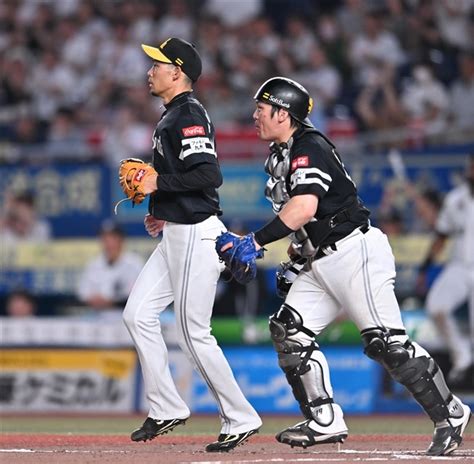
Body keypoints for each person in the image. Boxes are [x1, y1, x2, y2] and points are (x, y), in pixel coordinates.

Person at [220, 77, 471, 456]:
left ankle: (451, 413)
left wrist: (254, 242)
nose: (254, 115)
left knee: (389, 345)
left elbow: (304, 207)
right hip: (321, 258)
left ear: (283, 113)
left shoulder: (309, 145)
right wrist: (296, 257)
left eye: (261, 108)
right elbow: (309, 219)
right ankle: (324, 418)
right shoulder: (280, 154)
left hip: (355, 253)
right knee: (289, 331)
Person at [122, 37, 261, 452]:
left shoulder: (187, 115)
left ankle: (240, 416)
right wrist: (162, 208)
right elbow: (185, 180)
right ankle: (166, 406)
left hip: (196, 234)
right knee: (137, 314)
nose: (150, 71)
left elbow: (209, 175)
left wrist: (157, 183)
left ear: (177, 72)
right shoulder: (173, 115)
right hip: (177, 230)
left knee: (192, 332)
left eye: (157, 64)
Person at [418, 155, 474, 385]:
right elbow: (441, 235)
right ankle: (463, 358)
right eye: (471, 167)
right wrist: (425, 268)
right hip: (459, 266)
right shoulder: (455, 198)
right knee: (436, 306)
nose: (471, 171)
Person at [76, 220, 144, 314]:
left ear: (121, 240)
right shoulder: (94, 264)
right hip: (97, 317)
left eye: (113, 238)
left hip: (125, 316)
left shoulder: (134, 263)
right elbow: (82, 293)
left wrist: (111, 301)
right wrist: (95, 299)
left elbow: (137, 297)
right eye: (105, 238)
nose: (109, 243)